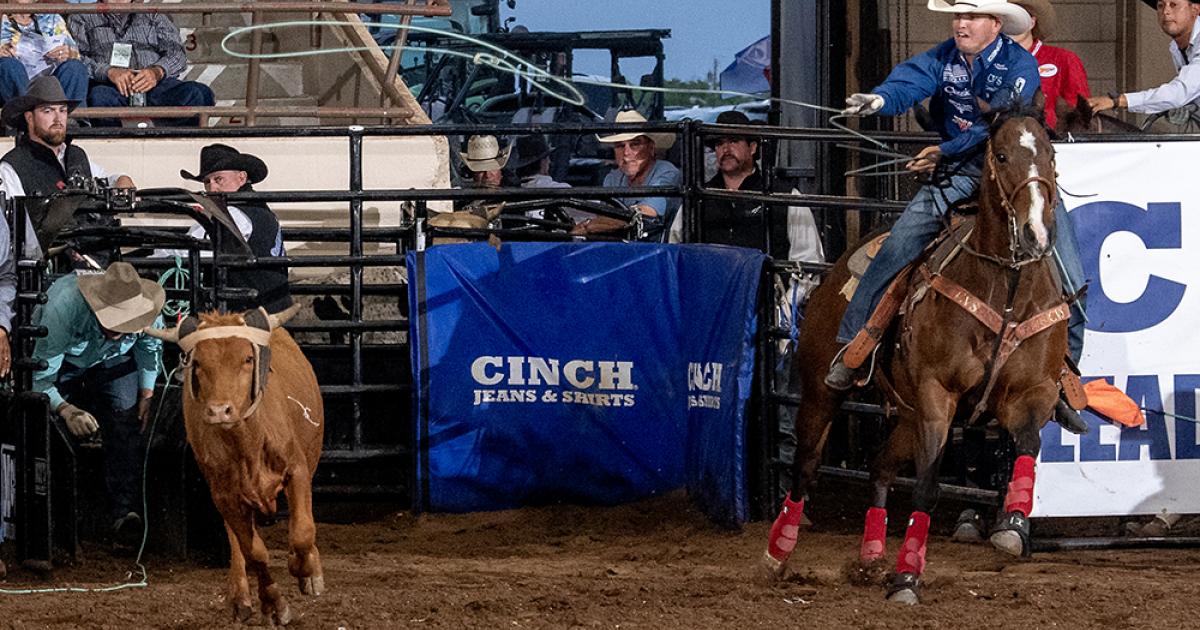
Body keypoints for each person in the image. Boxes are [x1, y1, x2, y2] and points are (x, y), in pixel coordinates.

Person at [827, 0, 1087, 432]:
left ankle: (1061, 375)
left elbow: (1001, 125)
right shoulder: (945, 57)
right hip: (961, 174)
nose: (961, 24)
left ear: (995, 24)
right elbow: (911, 80)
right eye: (958, 17)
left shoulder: (1018, 65)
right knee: (898, 247)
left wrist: (942, 150)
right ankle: (855, 345)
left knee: (1071, 277)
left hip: (1011, 172)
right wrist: (880, 99)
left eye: (970, 17)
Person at [31, 262, 164, 550]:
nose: (119, 327)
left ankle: (123, 515)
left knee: (126, 420)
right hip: (63, 364)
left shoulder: (146, 313)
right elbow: (39, 377)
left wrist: (147, 391)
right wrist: (65, 409)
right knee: (50, 428)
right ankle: (61, 520)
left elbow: (150, 346)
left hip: (111, 362)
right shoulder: (62, 309)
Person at [0, 75, 134, 267]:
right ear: (29, 117)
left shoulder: (77, 155)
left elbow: (106, 178)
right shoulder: (11, 167)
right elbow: (14, 233)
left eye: (62, 110)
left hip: (100, 265)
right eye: (48, 111)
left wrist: (122, 179)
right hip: (49, 274)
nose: (58, 119)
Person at [176, 144, 293, 314]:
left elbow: (195, 248)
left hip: (249, 312)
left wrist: (152, 254)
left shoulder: (234, 213)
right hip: (270, 305)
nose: (212, 188)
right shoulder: (257, 208)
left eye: (218, 179)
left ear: (241, 178)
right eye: (207, 182)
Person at [68, 0, 214, 126]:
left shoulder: (154, 13)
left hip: (156, 87)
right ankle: (124, 138)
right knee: (98, 99)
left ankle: (157, 132)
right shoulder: (82, 15)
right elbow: (75, 57)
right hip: (111, 88)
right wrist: (107, 72)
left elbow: (177, 54)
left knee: (199, 94)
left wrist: (156, 72)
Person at [1088, 0, 1200, 116]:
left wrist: (1118, 100)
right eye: (1160, 5)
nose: (1165, 12)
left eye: (1173, 5)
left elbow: (1180, 92)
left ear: (1195, 10)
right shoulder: (1176, 47)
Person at [598, 109, 682, 242]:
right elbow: (603, 221)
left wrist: (588, 226)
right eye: (620, 145)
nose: (626, 153)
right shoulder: (612, 178)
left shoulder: (667, 173)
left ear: (651, 147)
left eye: (635, 144)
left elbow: (648, 213)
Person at [1011, 0, 1090, 129]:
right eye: (1004, 20)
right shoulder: (988, 61)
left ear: (1032, 22)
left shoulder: (1064, 59)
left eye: (1017, 19)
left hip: (1055, 142)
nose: (1010, 26)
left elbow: (1079, 111)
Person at [0, 0, 88, 106]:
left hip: (50, 78)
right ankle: (26, 116)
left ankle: (71, 120)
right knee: (9, 66)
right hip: (14, 79)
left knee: (75, 67)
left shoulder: (51, 18)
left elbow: (76, 54)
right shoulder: (2, 16)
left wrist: (68, 53)